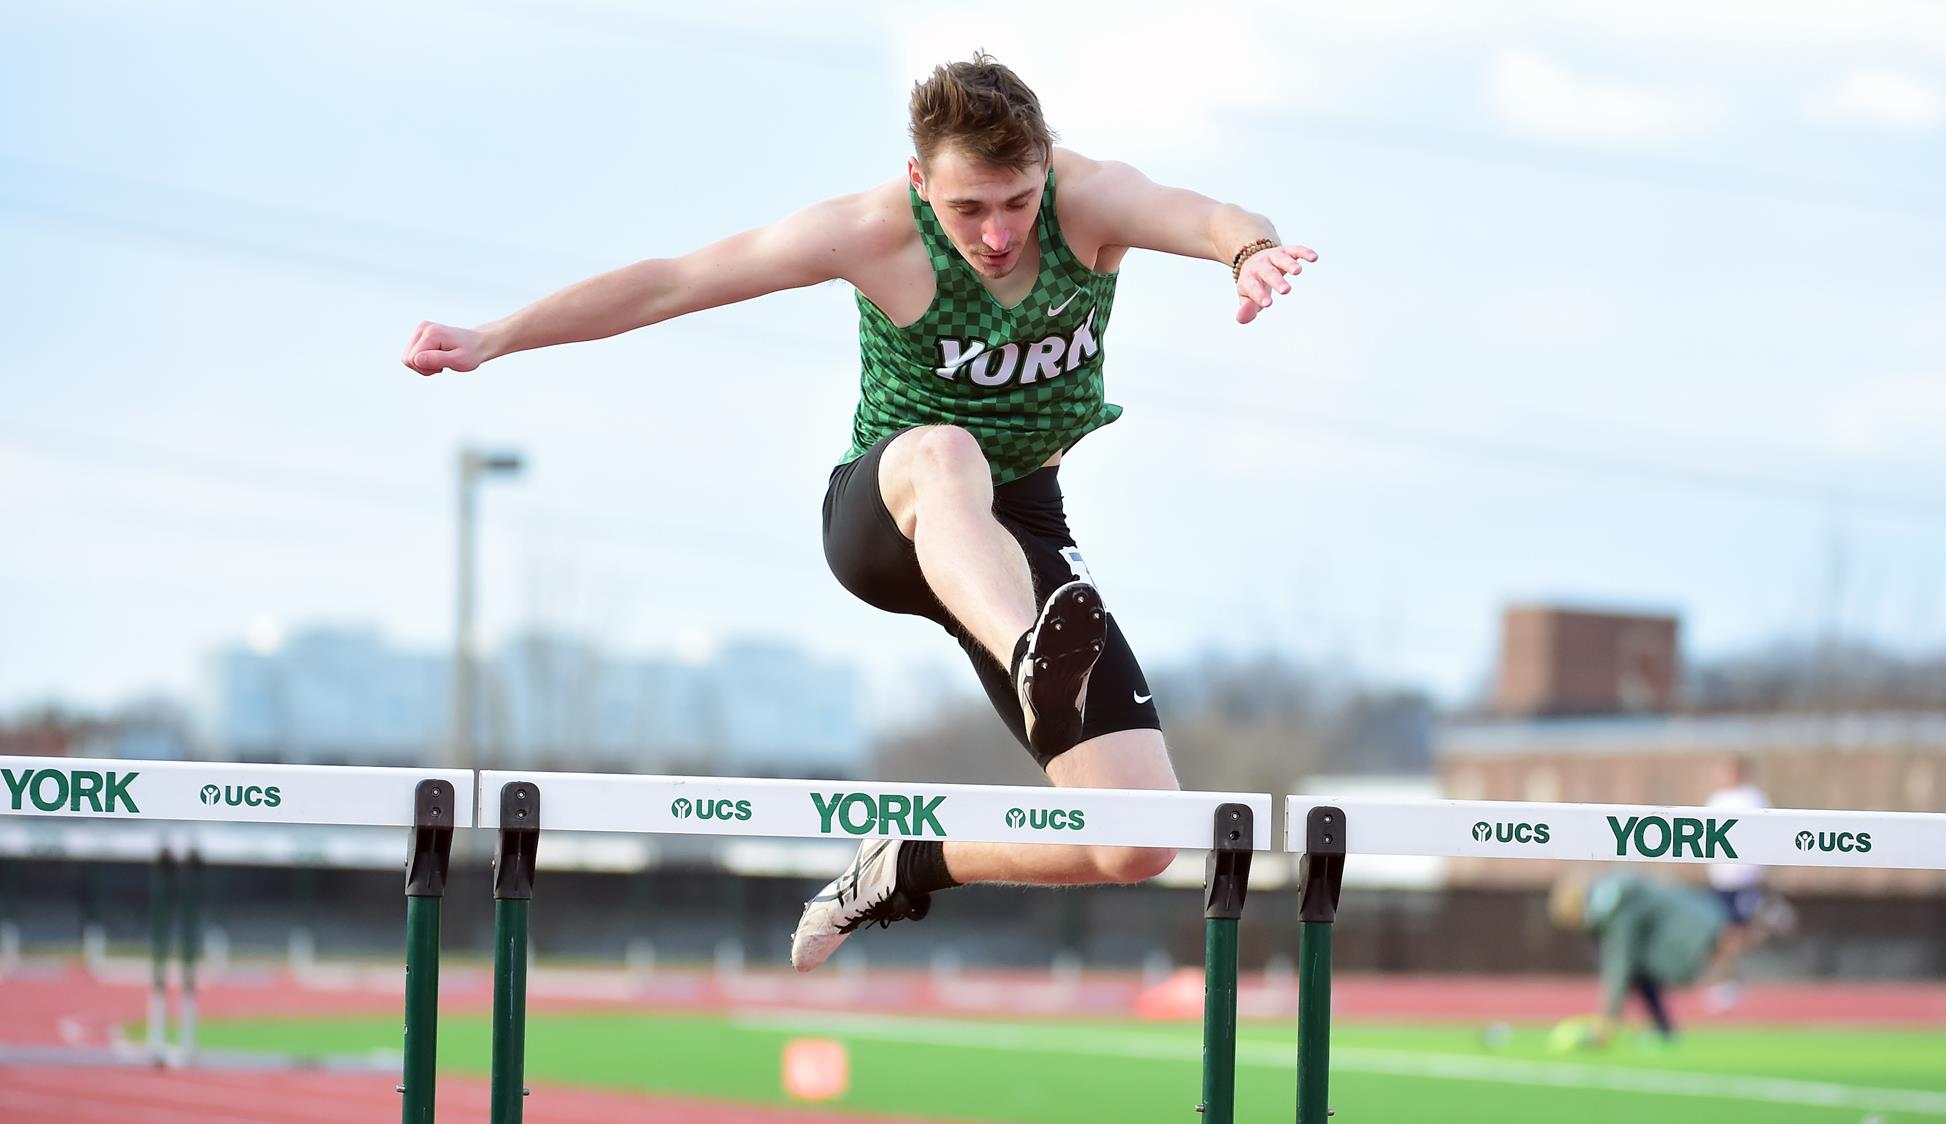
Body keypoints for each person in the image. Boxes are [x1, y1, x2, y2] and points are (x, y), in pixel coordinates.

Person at [401, 53, 1315, 972]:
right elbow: (671, 282)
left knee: (1137, 839)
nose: (997, 236)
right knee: (946, 449)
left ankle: (906, 865)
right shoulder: (869, 231)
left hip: (1021, 526)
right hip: (890, 511)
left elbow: (1210, 216)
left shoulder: (1093, 199)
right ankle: (1034, 650)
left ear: (1046, 164)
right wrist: (493, 338)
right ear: (921, 180)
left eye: (1017, 202)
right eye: (968, 209)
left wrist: (1249, 252)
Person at [1547, 872, 1730, 1047]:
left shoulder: (1612, 908)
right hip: (1699, 916)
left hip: (1690, 933)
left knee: (1638, 973)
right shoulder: (1610, 893)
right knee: (1641, 974)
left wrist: (1608, 1020)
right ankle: (1664, 1031)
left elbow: (1621, 963)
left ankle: (1665, 1031)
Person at [1703, 754, 1771, 1008]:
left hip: (1744, 879)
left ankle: (1729, 982)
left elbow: (1766, 835)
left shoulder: (1752, 799)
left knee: (1738, 933)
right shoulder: (1716, 800)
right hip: (1720, 879)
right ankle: (1725, 982)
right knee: (1722, 933)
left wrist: (1759, 872)